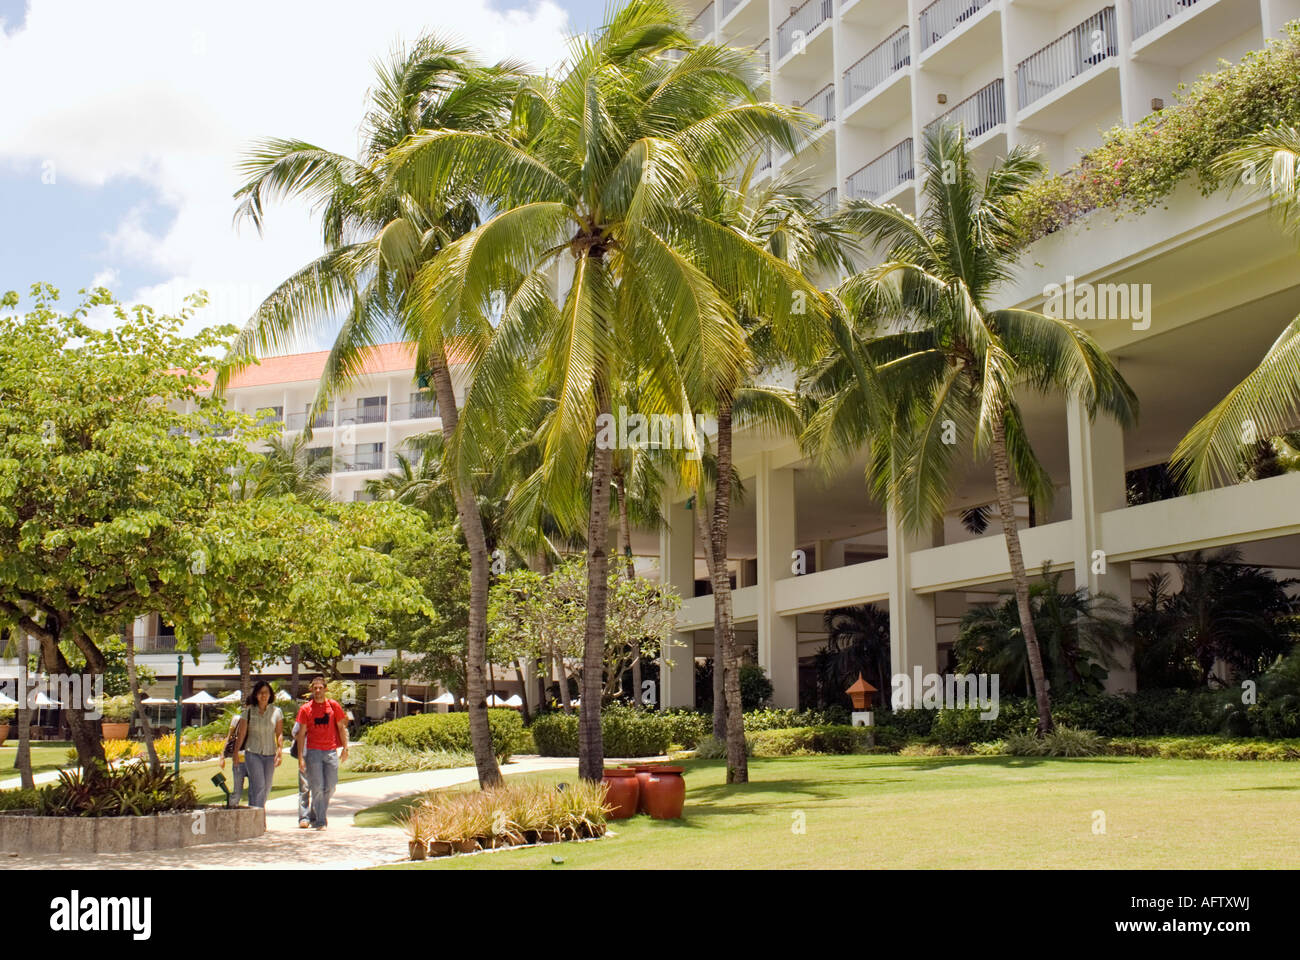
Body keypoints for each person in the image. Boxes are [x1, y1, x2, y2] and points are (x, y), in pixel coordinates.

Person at [295, 677, 348, 830]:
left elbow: (341, 727)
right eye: (315, 688)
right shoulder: (305, 709)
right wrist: (300, 758)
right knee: (317, 787)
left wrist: (345, 748)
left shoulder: (333, 706)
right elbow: (301, 733)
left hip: (330, 751)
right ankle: (320, 820)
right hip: (313, 752)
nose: (318, 691)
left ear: (325, 689)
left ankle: (316, 810)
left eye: (320, 688)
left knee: (330, 787)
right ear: (311, 690)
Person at [236, 680, 283, 809]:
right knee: (259, 785)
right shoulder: (249, 712)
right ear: (256, 695)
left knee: (266, 787)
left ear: (270, 695)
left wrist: (280, 751)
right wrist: (235, 753)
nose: (264, 695)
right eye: (261, 693)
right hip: (253, 753)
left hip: (270, 754)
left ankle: (253, 815)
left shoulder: (277, 712)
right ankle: (259, 820)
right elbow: (241, 734)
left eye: (266, 693)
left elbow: (279, 734)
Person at [217, 713, 246, 809]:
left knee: (256, 791)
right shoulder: (237, 719)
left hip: (253, 759)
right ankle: (231, 810)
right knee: (237, 792)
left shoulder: (257, 719)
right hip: (239, 759)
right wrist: (222, 755)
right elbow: (229, 736)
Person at [290, 717, 311, 828]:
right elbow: (295, 733)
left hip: (319, 754)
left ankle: (315, 815)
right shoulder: (304, 714)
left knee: (320, 788)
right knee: (304, 788)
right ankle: (304, 817)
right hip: (305, 754)